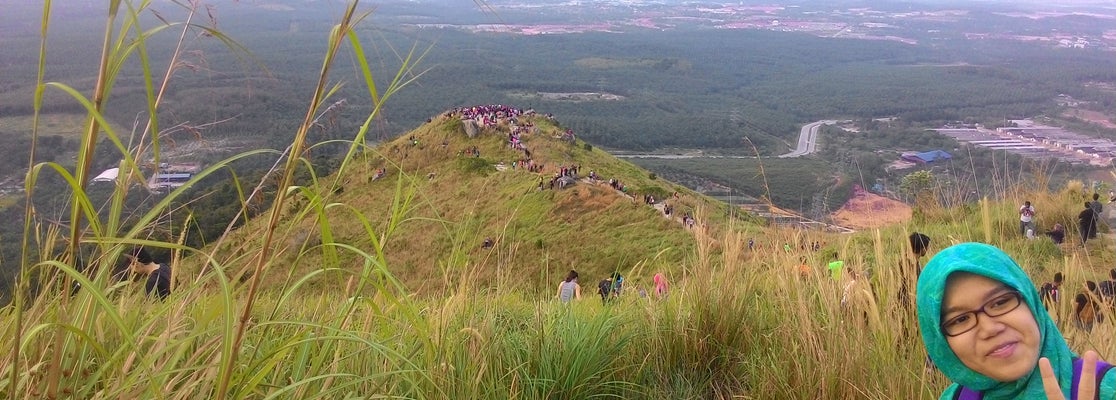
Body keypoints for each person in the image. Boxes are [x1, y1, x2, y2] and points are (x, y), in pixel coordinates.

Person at [917, 242, 1116, 399]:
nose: (989, 329)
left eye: (1001, 302)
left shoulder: (1107, 389)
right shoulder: (955, 397)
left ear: (1031, 303)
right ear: (941, 343)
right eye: (960, 319)